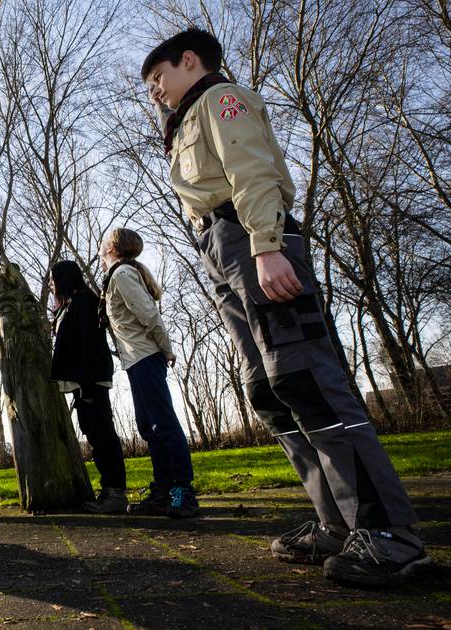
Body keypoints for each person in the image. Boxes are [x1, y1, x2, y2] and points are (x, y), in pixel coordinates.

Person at [142, 27, 427, 585]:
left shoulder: (221, 100)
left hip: (253, 239)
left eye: (159, 76)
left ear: (191, 60)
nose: (154, 89)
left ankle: (389, 531)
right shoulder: (185, 119)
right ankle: (339, 523)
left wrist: (268, 248)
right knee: (269, 391)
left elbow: (253, 171)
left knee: (308, 379)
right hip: (220, 249)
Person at [100, 228, 199, 518]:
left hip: (146, 357)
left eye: (104, 242)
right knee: (149, 426)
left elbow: (149, 314)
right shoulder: (117, 276)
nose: (100, 246)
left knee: (163, 424)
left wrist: (166, 349)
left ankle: (184, 493)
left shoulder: (122, 275)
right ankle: (163, 491)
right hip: (135, 360)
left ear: (113, 248)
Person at [48, 262, 127, 514]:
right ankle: (109, 490)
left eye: (53, 280)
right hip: (83, 384)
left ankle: (115, 493)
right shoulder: (71, 306)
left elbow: (89, 347)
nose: (50, 284)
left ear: (64, 279)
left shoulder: (83, 304)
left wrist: (88, 387)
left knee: (102, 435)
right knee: (95, 436)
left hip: (89, 382)